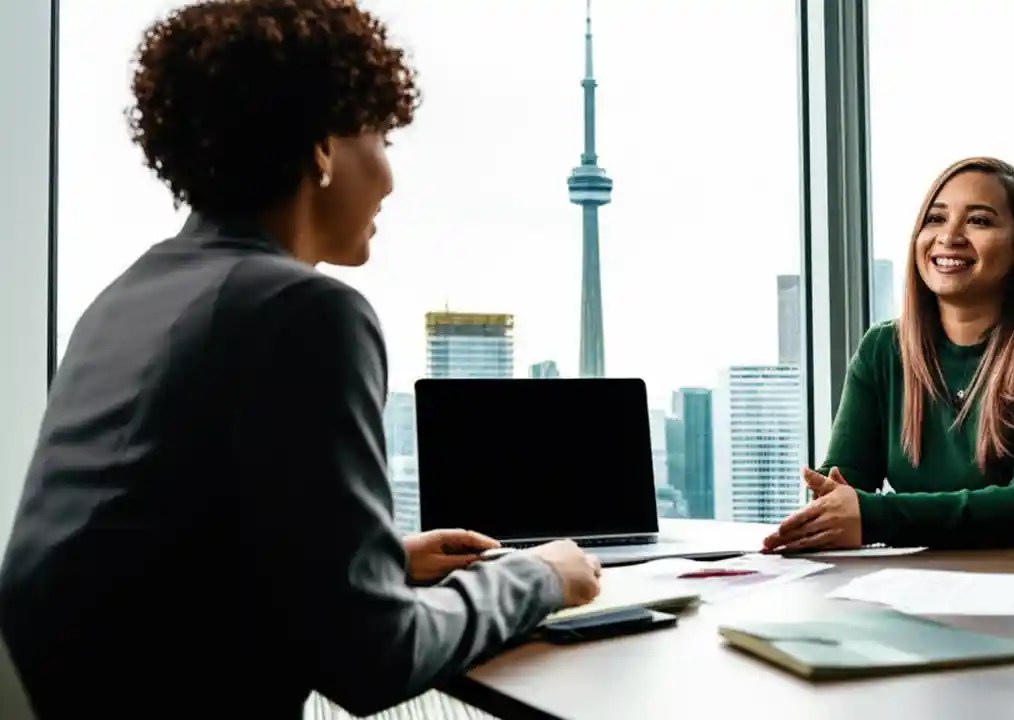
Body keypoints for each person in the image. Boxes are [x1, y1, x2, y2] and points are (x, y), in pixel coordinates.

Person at [0, 1, 602, 717]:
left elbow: (136, 572)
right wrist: (538, 576)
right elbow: (376, 658)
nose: (389, 177)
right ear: (321, 148)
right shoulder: (304, 312)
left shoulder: (124, 300)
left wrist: (365, 564)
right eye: (380, 136)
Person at [763, 157, 1014, 553]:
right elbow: (843, 485)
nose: (950, 237)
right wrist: (834, 508)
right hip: (929, 584)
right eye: (935, 219)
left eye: (979, 221)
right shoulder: (883, 349)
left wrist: (874, 515)